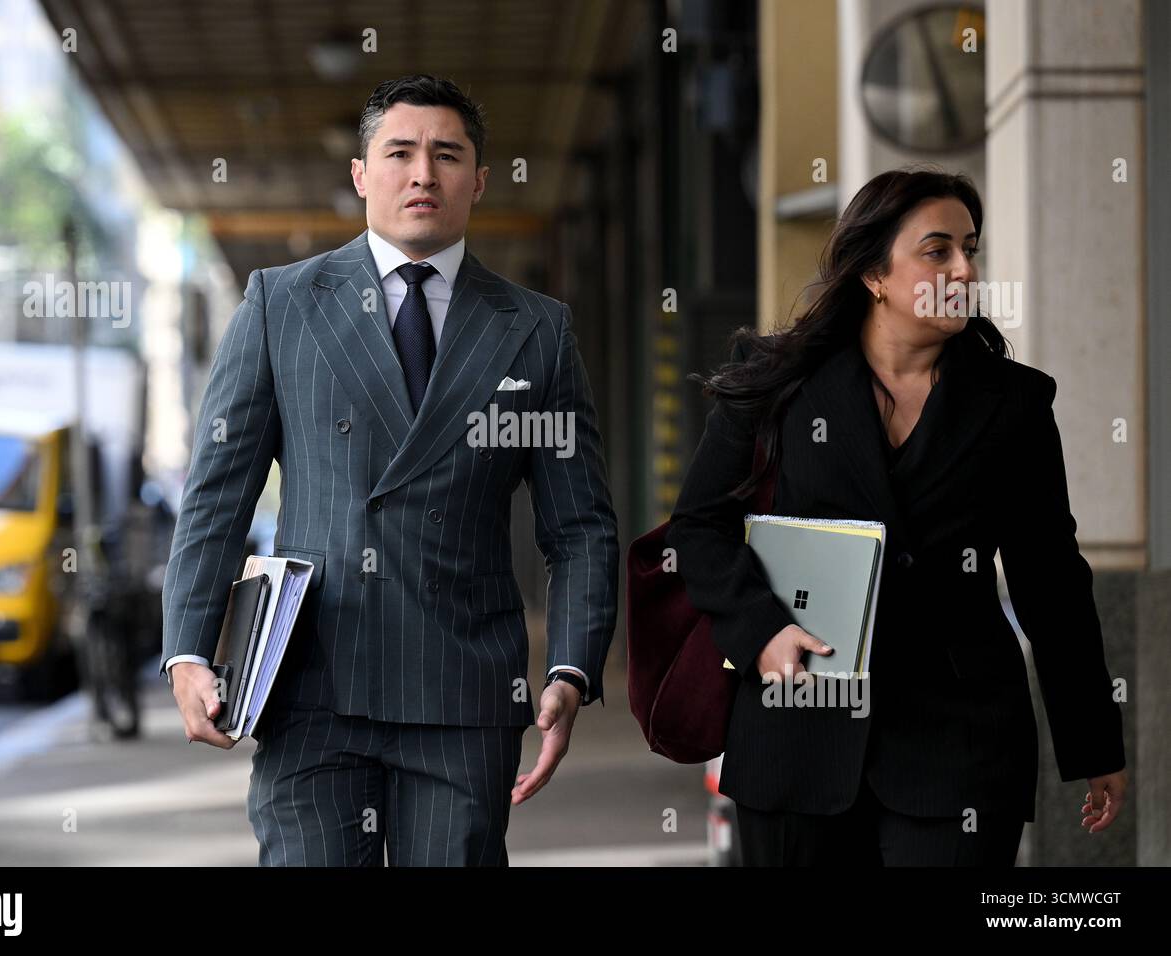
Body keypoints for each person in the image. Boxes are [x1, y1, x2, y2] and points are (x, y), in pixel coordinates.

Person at [161, 74, 619, 866]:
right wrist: (189, 649)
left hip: (462, 694)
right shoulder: (281, 305)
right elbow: (215, 498)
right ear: (361, 175)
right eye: (399, 152)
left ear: (478, 180)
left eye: (448, 155)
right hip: (310, 684)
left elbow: (578, 527)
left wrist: (571, 667)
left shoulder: (537, 332)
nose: (422, 173)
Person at [666, 167, 1127, 866]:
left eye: (971, 249)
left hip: (959, 742)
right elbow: (699, 526)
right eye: (937, 250)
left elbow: (1051, 580)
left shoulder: (1014, 406)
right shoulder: (777, 384)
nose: (965, 268)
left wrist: (1093, 743)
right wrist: (760, 632)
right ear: (874, 275)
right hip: (799, 733)